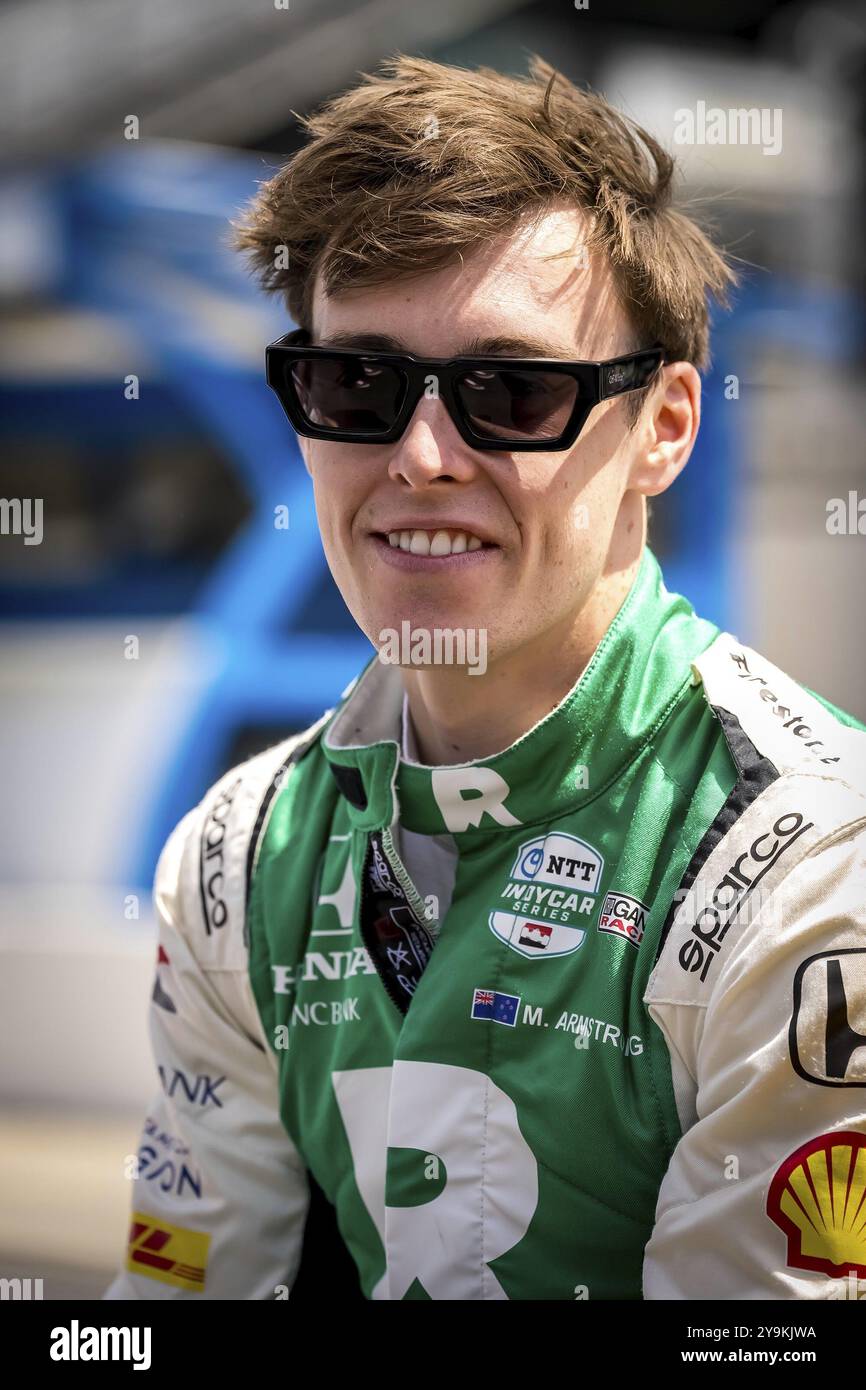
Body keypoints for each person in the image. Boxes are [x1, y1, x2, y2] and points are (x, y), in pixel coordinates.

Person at [105, 54, 866, 1302]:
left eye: (510, 392)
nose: (418, 458)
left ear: (664, 426)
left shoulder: (808, 868)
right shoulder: (239, 854)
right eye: (356, 382)